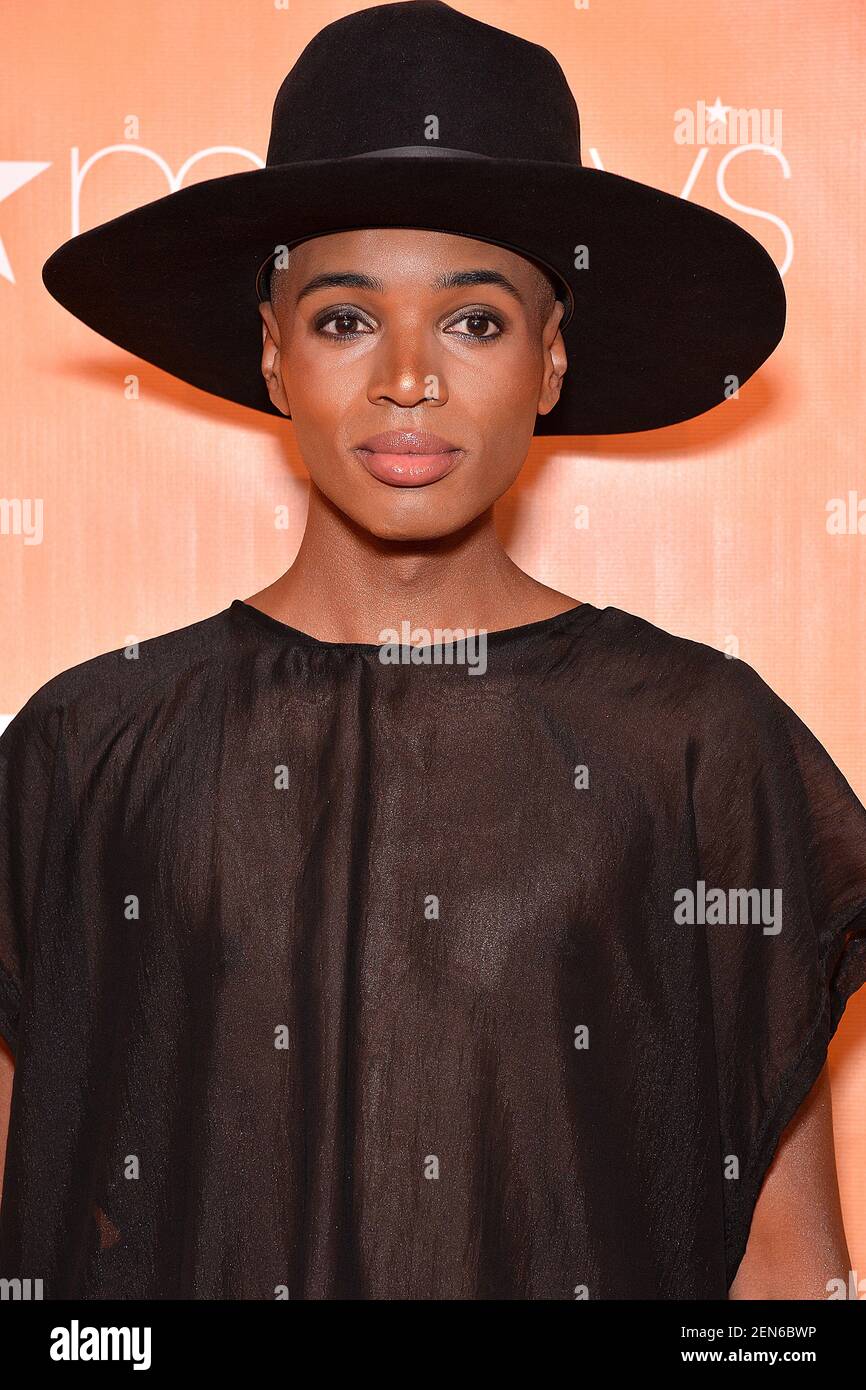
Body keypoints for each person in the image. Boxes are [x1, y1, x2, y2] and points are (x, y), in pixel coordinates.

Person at [2, 0, 865, 1300]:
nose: (408, 377)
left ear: (551, 356)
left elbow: (784, 1279)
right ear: (273, 353)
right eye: (345, 317)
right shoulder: (87, 748)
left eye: (473, 319)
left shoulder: (702, 744)